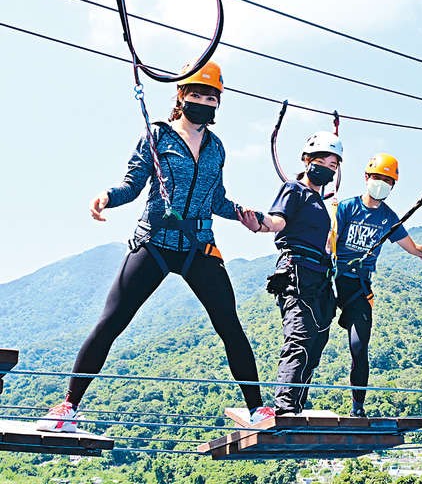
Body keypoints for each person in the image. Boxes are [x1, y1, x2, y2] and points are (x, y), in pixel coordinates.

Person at [37, 61, 273, 433]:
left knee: (229, 324)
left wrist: (246, 215)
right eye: (196, 94)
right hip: (155, 241)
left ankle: (258, 411)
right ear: (181, 96)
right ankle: (68, 407)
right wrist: (107, 197)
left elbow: (217, 199)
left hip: (199, 245)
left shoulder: (217, 148)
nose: (204, 101)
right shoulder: (157, 136)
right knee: (112, 322)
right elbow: (132, 184)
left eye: (211, 97)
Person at [334, 153, 422, 417]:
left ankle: (358, 407)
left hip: (359, 287)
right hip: (333, 280)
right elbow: (330, 241)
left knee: (359, 347)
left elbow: (413, 248)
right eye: (377, 178)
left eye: (387, 180)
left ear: (393, 186)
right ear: (366, 177)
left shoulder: (389, 218)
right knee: (315, 336)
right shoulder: (346, 208)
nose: (381, 183)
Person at [238, 132, 342, 415]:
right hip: (296, 271)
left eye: (333, 165)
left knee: (317, 340)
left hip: (321, 277)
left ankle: (295, 405)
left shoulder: (322, 204)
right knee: (299, 336)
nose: (327, 169)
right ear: (307, 160)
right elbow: (278, 220)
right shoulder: (294, 190)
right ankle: (284, 408)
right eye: (322, 161)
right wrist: (260, 224)